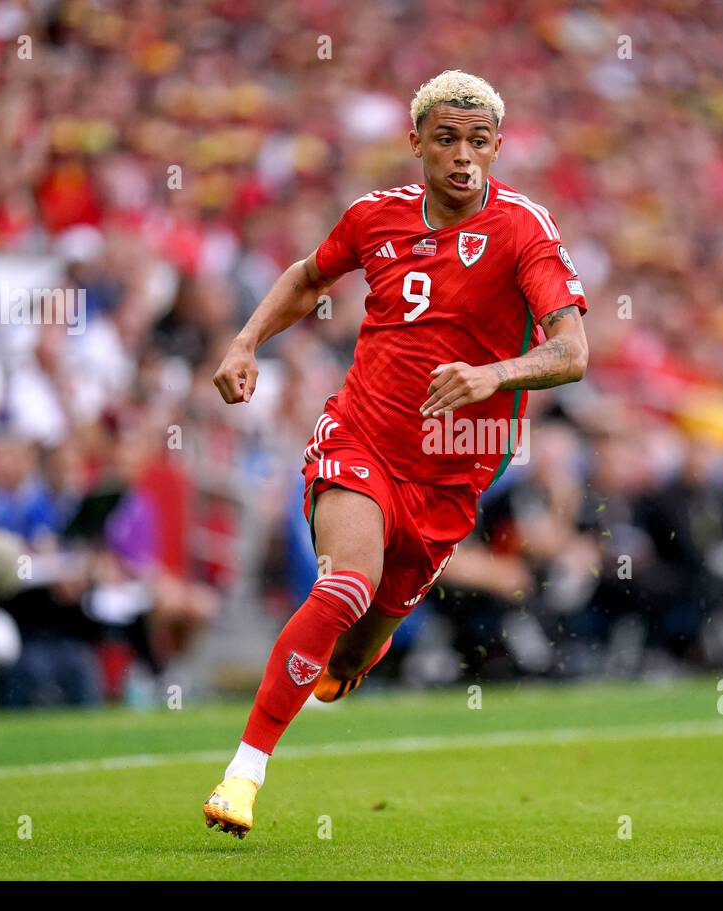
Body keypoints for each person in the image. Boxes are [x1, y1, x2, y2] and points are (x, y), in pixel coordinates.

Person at [202, 70, 589, 838]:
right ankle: (244, 773)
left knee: (359, 642)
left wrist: (493, 374)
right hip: (362, 438)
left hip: (454, 474)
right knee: (346, 581)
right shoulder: (373, 219)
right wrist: (247, 341)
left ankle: (341, 667)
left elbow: (572, 351)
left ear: (497, 148)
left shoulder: (524, 229)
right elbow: (310, 276)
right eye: (446, 139)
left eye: (478, 142)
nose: (463, 156)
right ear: (416, 142)